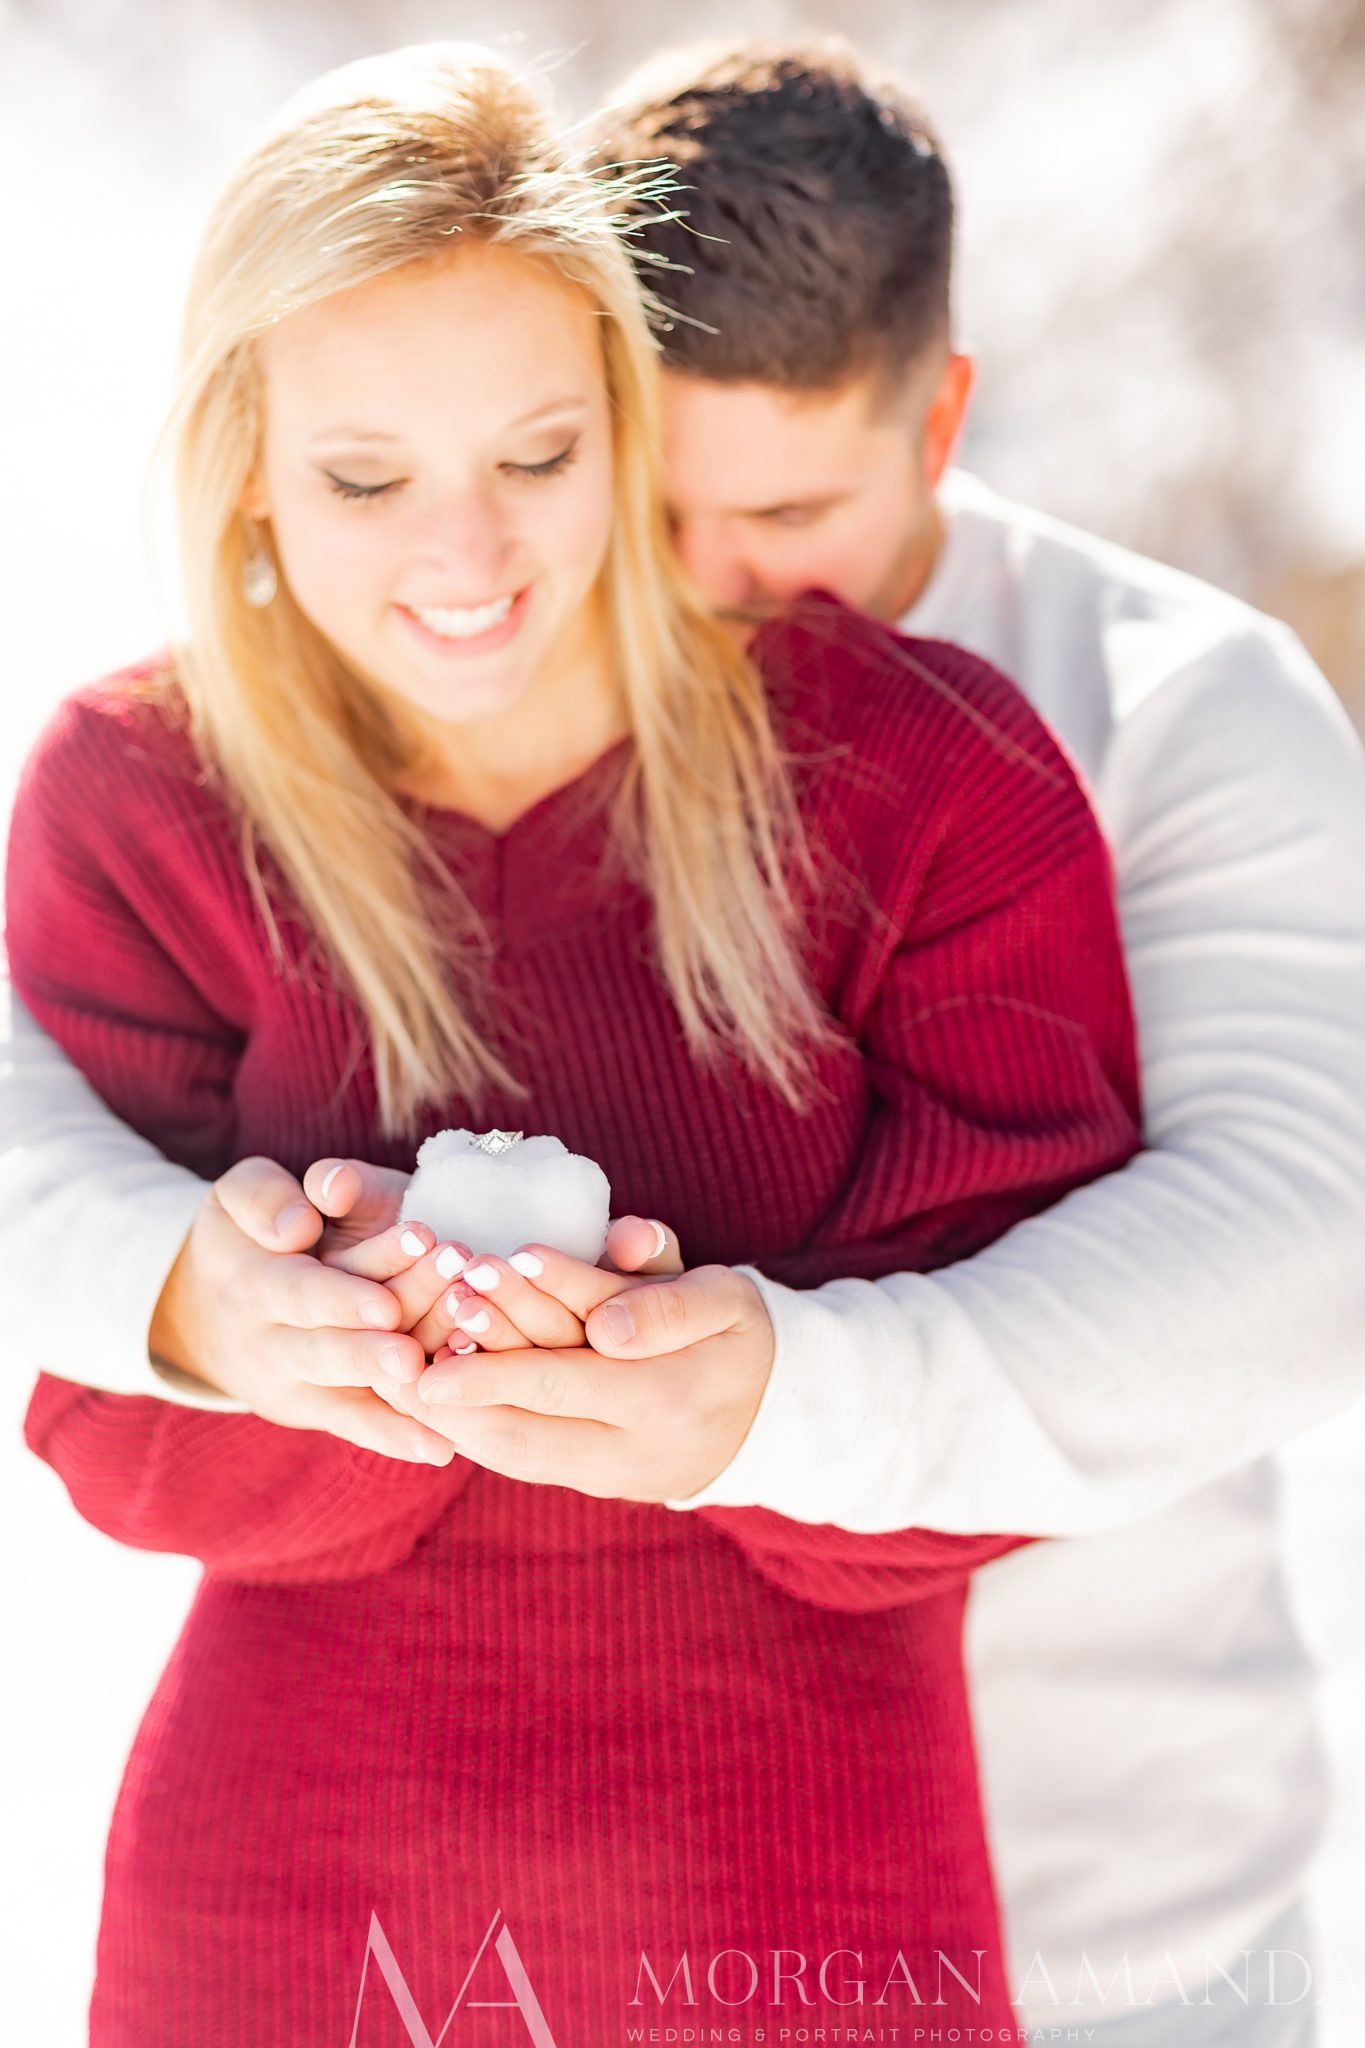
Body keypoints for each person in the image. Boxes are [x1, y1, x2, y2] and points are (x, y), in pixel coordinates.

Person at [5, 31, 1365, 2044]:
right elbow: (81, 1268)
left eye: (543, 465)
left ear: (935, 422)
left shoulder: (1096, 722)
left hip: (1067, 1872)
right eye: (657, 494)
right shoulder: (163, 788)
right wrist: (228, 1316)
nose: (705, 579)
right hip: (320, 1903)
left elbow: (1290, 1246)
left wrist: (767, 1392)